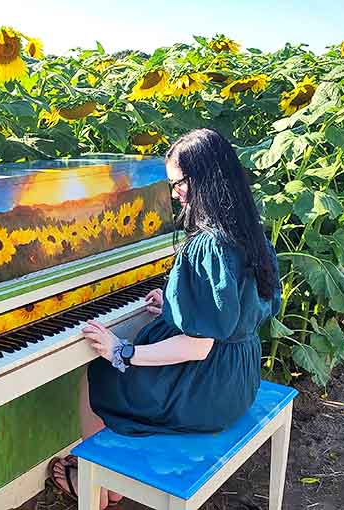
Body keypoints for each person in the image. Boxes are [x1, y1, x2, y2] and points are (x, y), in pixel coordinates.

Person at [49, 128, 282, 509]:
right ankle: (106, 477)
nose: (174, 194)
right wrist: (176, 307)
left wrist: (120, 351)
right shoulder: (248, 231)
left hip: (207, 391)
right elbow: (231, 310)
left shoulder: (208, 243)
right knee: (120, 368)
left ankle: (106, 489)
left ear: (203, 180)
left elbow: (196, 345)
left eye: (178, 184)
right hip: (240, 377)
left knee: (98, 377)